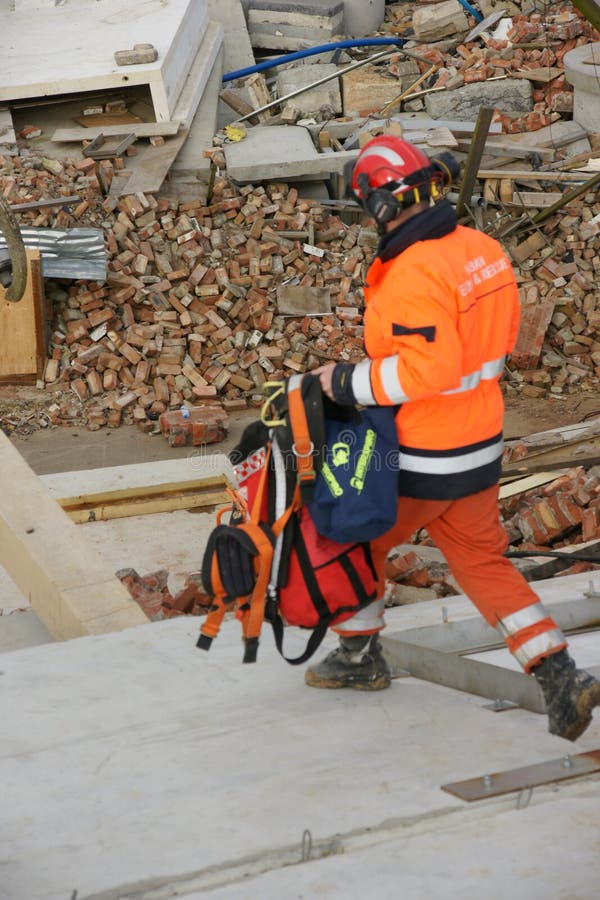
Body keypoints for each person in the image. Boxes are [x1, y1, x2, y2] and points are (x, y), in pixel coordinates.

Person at [306, 134, 600, 743]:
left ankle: (359, 658)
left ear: (381, 205)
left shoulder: (413, 273)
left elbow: (427, 371)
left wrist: (345, 381)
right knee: (482, 562)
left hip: (422, 454)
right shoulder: (481, 249)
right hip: (479, 443)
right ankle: (558, 674)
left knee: (349, 542)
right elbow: (485, 348)